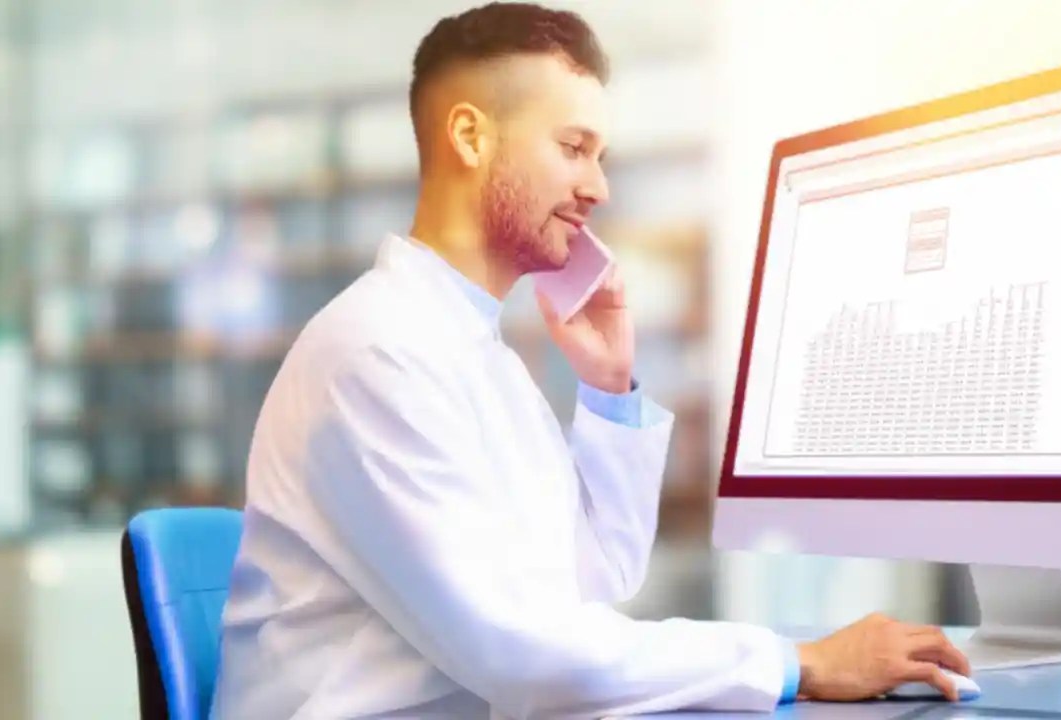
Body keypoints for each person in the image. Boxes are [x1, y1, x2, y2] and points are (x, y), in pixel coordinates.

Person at [210, 3, 971, 717]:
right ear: (471, 138)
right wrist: (795, 662)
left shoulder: (477, 355)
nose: (597, 187)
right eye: (573, 148)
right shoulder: (376, 351)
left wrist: (608, 390)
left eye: (599, 156)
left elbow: (592, 582)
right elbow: (521, 651)